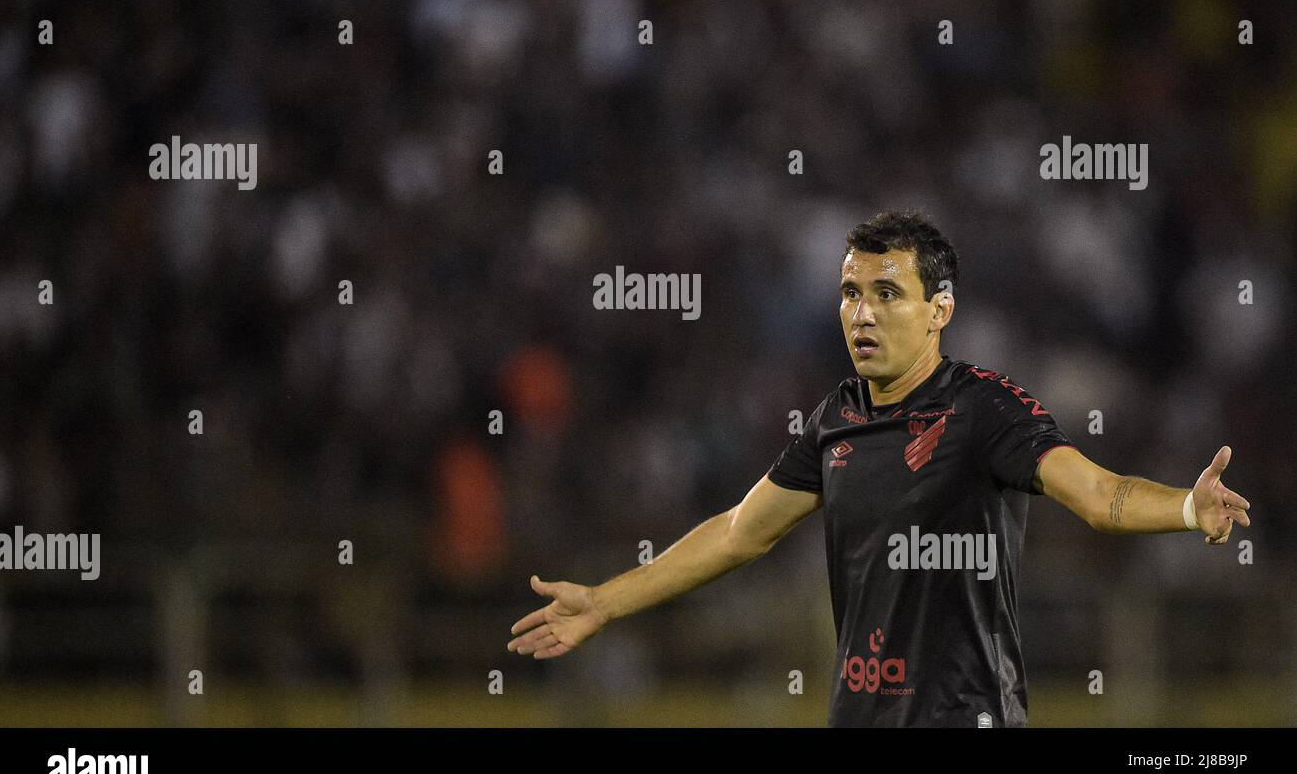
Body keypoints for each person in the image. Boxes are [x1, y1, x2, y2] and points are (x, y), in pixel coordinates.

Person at [506, 209, 1252, 726]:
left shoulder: (985, 409)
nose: (861, 314)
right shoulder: (838, 418)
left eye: (886, 294)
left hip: (966, 715)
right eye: (851, 294)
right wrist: (605, 602)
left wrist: (1187, 507)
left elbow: (1096, 494)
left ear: (940, 309)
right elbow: (739, 531)